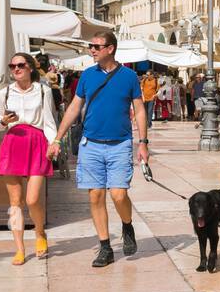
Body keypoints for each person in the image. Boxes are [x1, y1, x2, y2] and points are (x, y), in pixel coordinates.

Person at [48, 31, 149, 268]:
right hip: (90, 144)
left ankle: (127, 225)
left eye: (96, 46)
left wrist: (143, 143)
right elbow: (74, 107)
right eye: (90, 46)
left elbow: (140, 110)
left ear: (110, 48)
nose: (91, 50)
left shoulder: (129, 76)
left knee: (118, 194)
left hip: (120, 143)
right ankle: (105, 247)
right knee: (95, 195)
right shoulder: (87, 76)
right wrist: (57, 139)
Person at [0, 52, 57, 265]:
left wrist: (53, 143)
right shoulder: (5, 92)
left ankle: (40, 233)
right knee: (15, 202)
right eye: (12, 66)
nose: (15, 69)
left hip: (37, 142)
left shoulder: (42, 90)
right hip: (12, 143)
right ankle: (19, 249)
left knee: (32, 199)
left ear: (30, 67)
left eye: (20, 65)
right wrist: (2, 121)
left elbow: (49, 121)